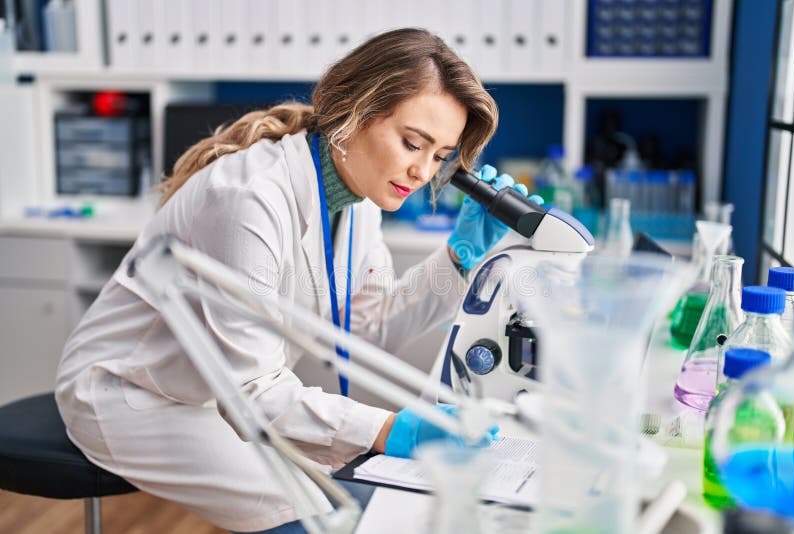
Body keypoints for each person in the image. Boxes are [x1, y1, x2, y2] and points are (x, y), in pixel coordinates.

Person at [55, 28, 535, 533]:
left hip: (221, 390)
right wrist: (392, 429)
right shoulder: (250, 198)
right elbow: (255, 391)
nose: (421, 172)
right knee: (312, 511)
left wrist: (458, 259)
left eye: (439, 156)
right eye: (413, 143)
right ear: (355, 111)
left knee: (340, 500)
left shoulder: (357, 198)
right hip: (132, 393)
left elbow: (367, 329)